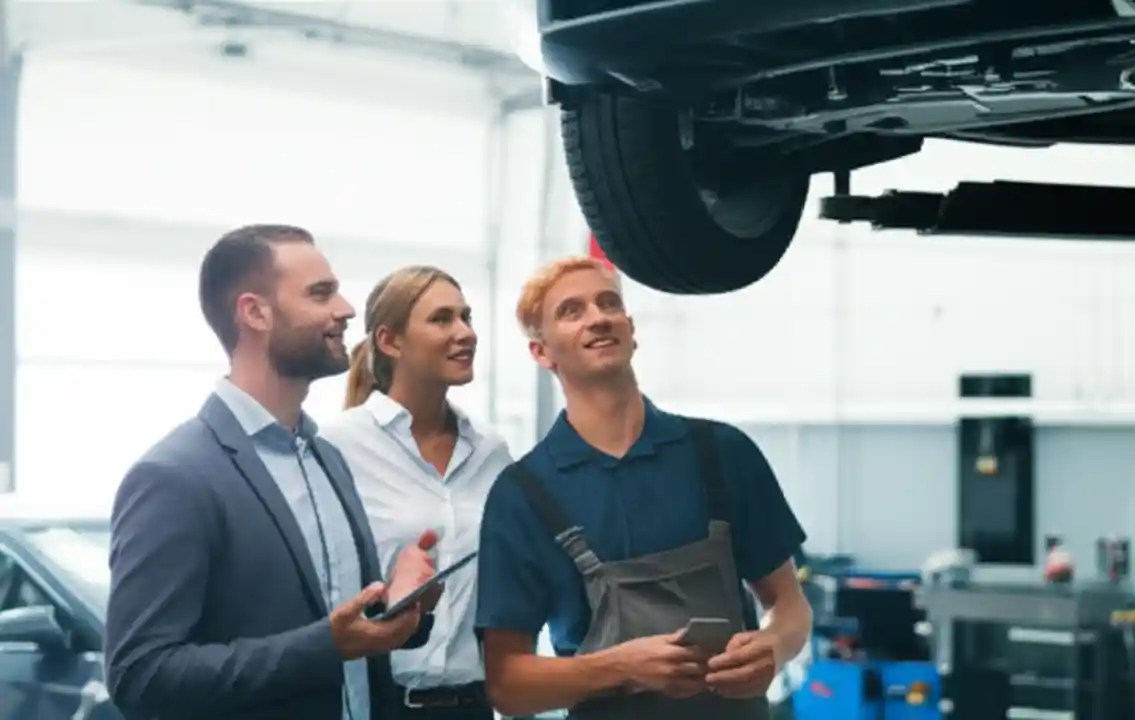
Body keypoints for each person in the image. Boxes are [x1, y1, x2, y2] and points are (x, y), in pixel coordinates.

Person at [105, 225, 442, 720]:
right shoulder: (173, 476)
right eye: (321, 293)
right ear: (254, 312)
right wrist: (325, 645)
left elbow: (349, 633)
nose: (346, 309)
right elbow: (141, 675)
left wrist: (396, 607)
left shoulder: (326, 457)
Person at [474, 256, 814, 720]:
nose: (598, 317)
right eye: (572, 311)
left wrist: (773, 647)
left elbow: (790, 606)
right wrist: (620, 667)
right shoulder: (523, 495)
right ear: (541, 352)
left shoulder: (723, 452)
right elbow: (508, 685)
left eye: (608, 303)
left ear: (631, 330)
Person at [323, 265, 512, 719]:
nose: (465, 332)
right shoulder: (338, 446)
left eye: (466, 316)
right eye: (442, 319)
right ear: (390, 341)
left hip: (476, 706)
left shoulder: (491, 449)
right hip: (382, 706)